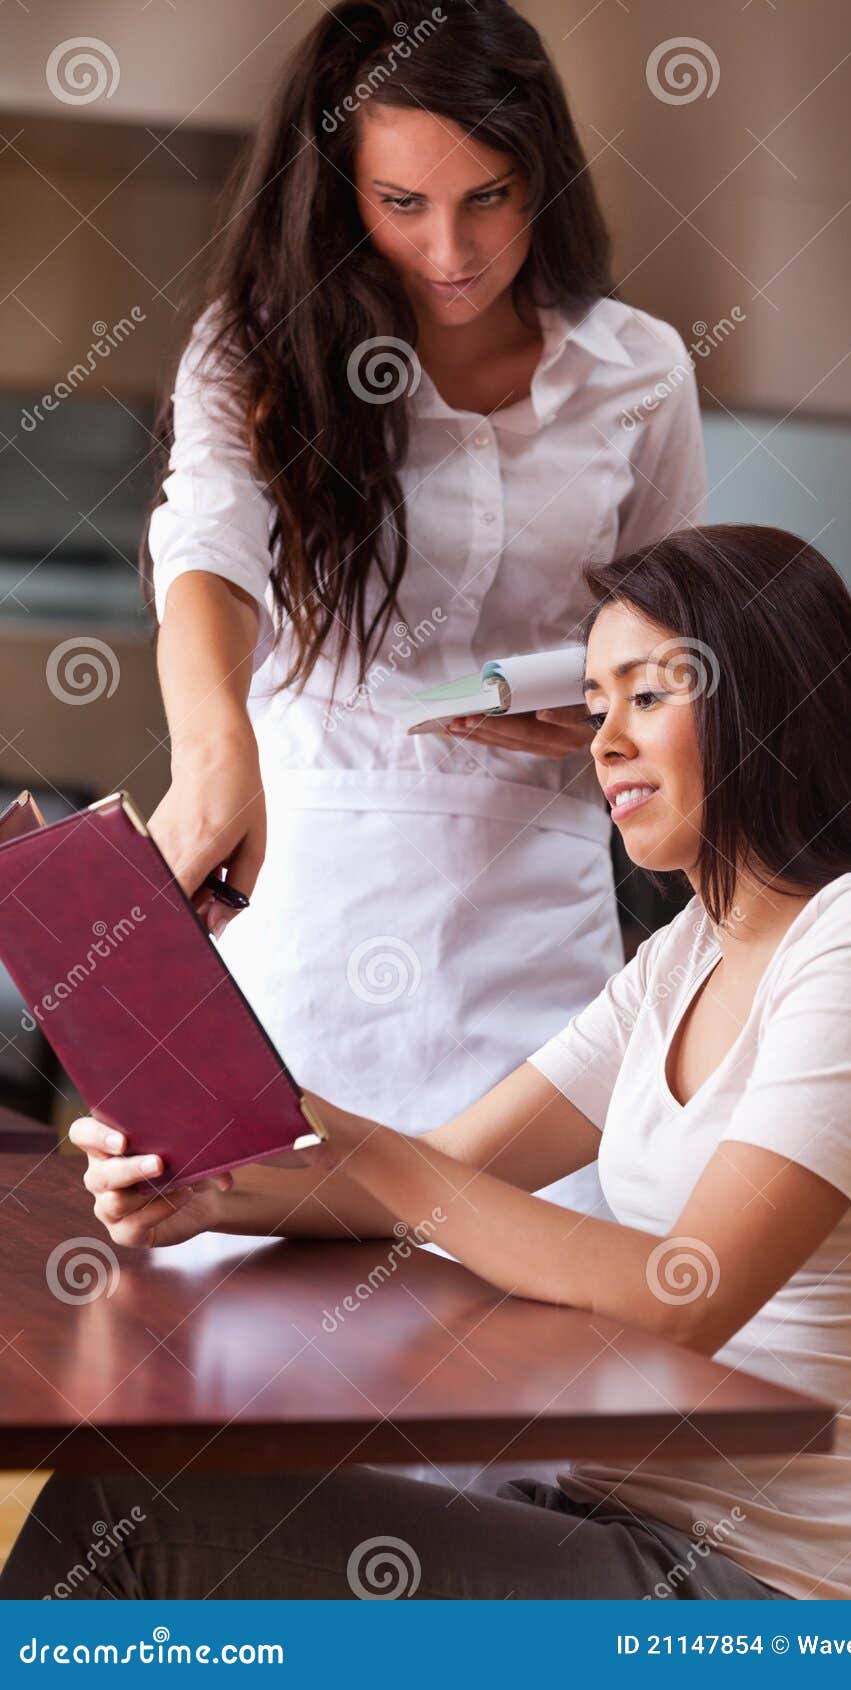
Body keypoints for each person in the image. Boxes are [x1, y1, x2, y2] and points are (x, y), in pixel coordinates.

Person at [1, 525, 851, 1602]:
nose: (604, 740)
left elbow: (687, 1292)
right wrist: (209, 1186)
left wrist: (376, 1162)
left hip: (770, 1599)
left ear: (774, 696)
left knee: (126, 1518)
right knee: (144, 1504)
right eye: (595, 702)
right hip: (608, 1527)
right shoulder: (685, 956)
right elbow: (446, 1163)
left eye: (646, 694)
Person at [143, 0, 707, 1222]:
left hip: (533, 948)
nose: (451, 248)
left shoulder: (640, 370)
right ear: (339, 192)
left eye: (488, 197)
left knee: (525, 1348)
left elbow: (673, 635)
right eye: (402, 205)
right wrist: (211, 748)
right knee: (243, 1328)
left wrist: (619, 703)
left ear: (541, 176)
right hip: (301, 912)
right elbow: (207, 548)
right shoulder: (255, 349)